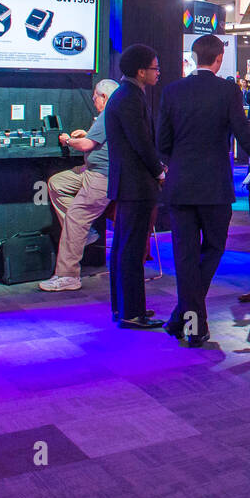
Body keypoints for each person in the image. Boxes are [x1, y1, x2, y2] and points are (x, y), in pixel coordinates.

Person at [158, 35, 250, 347]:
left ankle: (185, 318)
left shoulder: (172, 90)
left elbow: (162, 142)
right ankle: (192, 323)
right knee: (214, 248)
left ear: (194, 57)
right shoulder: (228, 90)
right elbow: (244, 136)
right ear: (218, 59)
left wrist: (177, 165)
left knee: (185, 256)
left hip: (180, 186)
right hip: (214, 186)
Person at [103, 45, 165, 329]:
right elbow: (141, 142)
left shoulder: (125, 95)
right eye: (154, 67)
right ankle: (131, 312)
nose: (158, 72)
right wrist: (159, 171)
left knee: (124, 246)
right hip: (135, 185)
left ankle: (124, 308)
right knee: (131, 248)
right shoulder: (129, 97)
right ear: (141, 71)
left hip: (128, 184)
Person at [40, 78, 118, 292]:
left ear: (104, 97)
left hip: (101, 176)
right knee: (57, 183)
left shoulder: (109, 114)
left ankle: (68, 276)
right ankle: (87, 233)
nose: (94, 101)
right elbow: (97, 139)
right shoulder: (109, 114)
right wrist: (86, 134)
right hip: (89, 171)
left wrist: (67, 140)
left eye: (95, 98)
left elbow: (85, 145)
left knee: (75, 219)